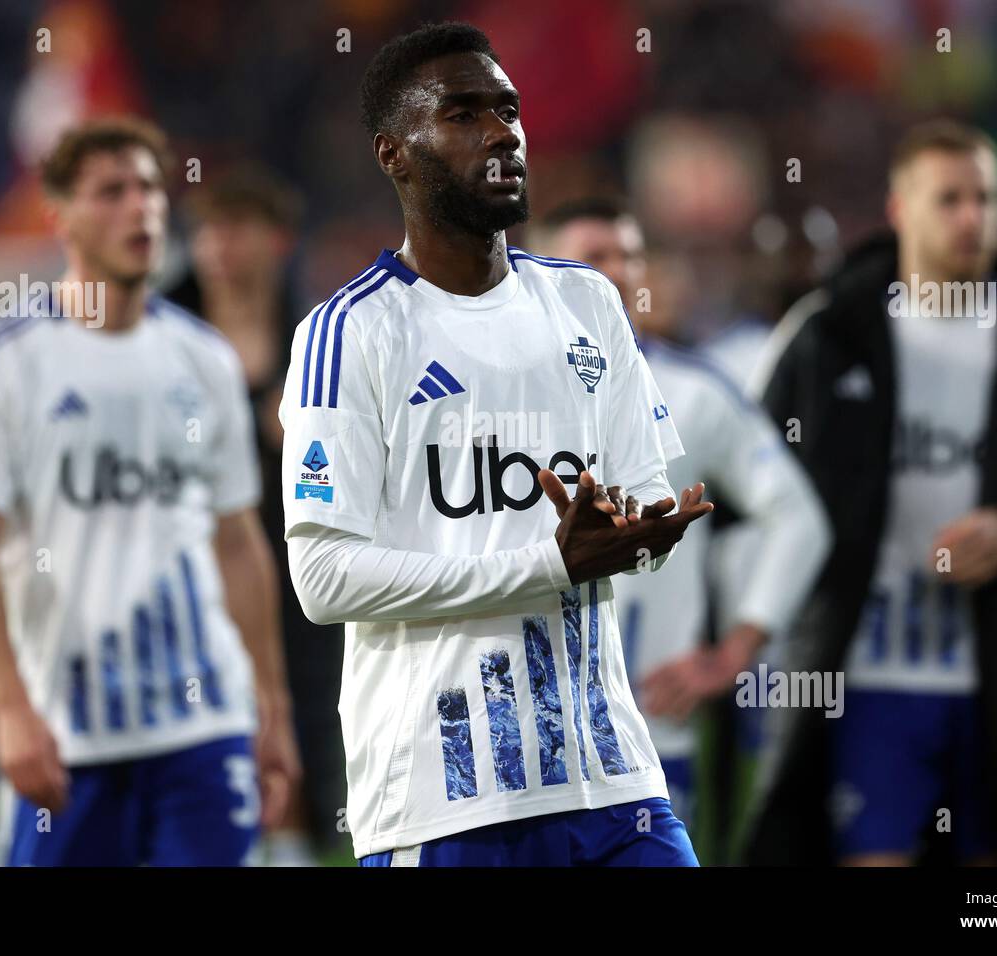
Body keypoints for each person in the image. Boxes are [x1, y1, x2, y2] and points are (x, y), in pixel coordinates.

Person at [281, 22, 713, 867]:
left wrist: (645, 534)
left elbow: (629, 512)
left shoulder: (588, 305)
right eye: (463, 114)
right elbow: (323, 578)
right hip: (443, 802)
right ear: (393, 154)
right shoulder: (349, 334)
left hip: (612, 776)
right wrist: (548, 564)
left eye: (508, 110)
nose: (502, 132)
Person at [742, 119, 997, 866]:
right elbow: (750, 479)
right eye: (948, 198)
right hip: (865, 676)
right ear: (899, 209)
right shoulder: (827, 336)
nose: (971, 217)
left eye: (985, 198)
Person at [0, 117, 301, 866]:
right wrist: (9, 709)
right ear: (60, 213)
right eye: (112, 192)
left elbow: (236, 540)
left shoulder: (203, 358)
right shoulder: (0, 360)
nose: (143, 208)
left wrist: (271, 703)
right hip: (68, 730)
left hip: (204, 723)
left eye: (152, 189)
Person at [531, 198, 830, 829]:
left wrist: (734, 651)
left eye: (629, 256)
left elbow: (799, 517)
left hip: (652, 738)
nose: (617, 272)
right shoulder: (493, 393)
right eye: (594, 257)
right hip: (522, 741)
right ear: (540, 268)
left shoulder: (694, 394)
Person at [170, 168, 347, 864]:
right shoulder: (163, 335)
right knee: (198, 746)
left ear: (278, 240)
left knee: (299, 732)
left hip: (295, 574)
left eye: (236, 227)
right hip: (189, 574)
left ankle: (296, 847)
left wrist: (310, 438)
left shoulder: (317, 339)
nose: (219, 246)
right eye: (207, 230)